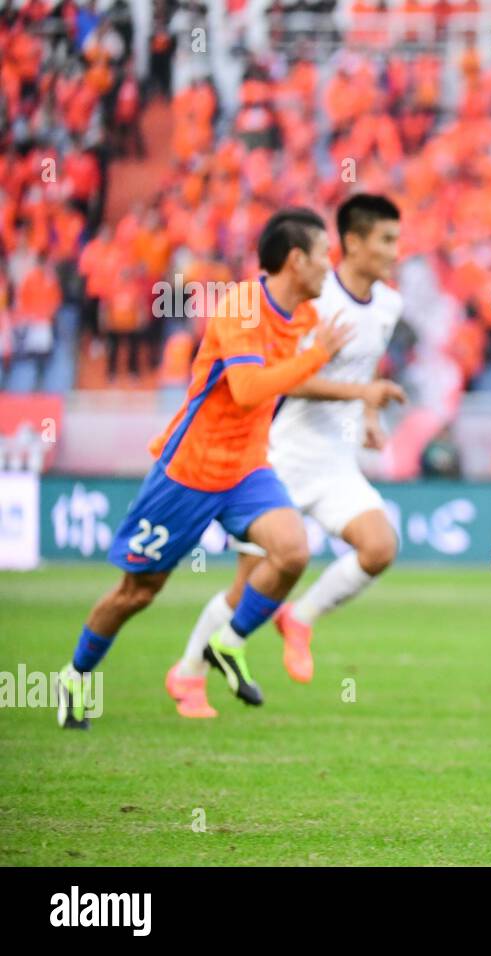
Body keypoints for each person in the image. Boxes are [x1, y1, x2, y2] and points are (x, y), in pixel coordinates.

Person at [56, 207, 350, 729]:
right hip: (188, 471)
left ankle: (226, 642)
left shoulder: (305, 317)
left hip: (246, 470)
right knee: (137, 592)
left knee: (292, 551)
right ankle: (75, 676)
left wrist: (358, 396)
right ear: (296, 259)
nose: (331, 265)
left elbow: (285, 382)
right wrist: (316, 359)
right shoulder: (239, 306)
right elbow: (247, 389)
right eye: (324, 254)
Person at [167, 194, 407, 717]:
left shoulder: (389, 305)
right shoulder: (314, 300)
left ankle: (299, 617)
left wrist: (367, 416)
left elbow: (361, 373)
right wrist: (360, 398)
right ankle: (187, 673)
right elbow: (290, 383)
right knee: (245, 587)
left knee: (380, 546)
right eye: (386, 239)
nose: (395, 250)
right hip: (280, 460)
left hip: (336, 463)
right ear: (355, 241)